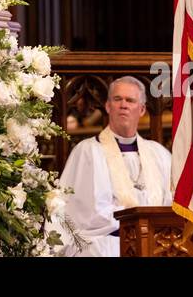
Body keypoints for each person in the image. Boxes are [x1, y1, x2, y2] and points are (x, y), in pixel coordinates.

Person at [57, 76, 173, 257]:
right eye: (117, 99)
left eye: (130, 100)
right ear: (107, 106)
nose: (123, 105)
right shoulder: (87, 152)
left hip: (155, 245)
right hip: (103, 246)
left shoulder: (160, 155)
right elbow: (64, 209)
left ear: (142, 109)